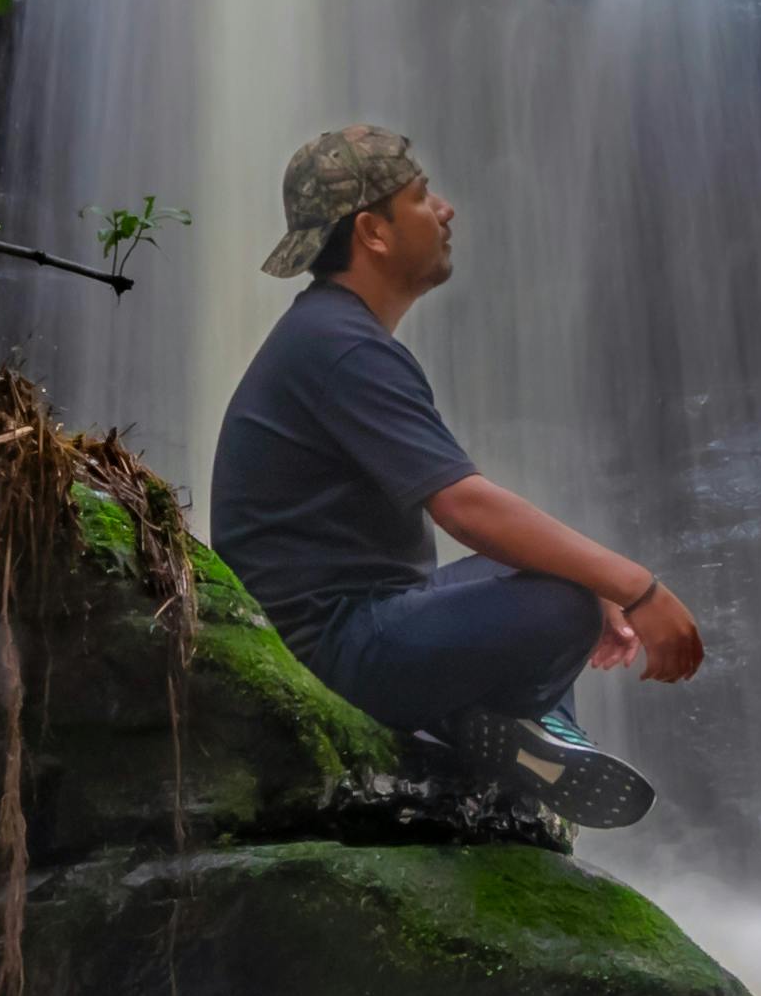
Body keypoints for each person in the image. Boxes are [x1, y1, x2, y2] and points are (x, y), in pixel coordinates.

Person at [205, 123, 705, 830]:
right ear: (374, 232)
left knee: (563, 584)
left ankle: (515, 731)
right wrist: (635, 587)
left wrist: (601, 585)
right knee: (565, 601)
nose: (446, 210)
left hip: (373, 616)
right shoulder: (340, 348)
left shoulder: (332, 335)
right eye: (421, 196)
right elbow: (465, 507)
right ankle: (507, 726)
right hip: (331, 648)